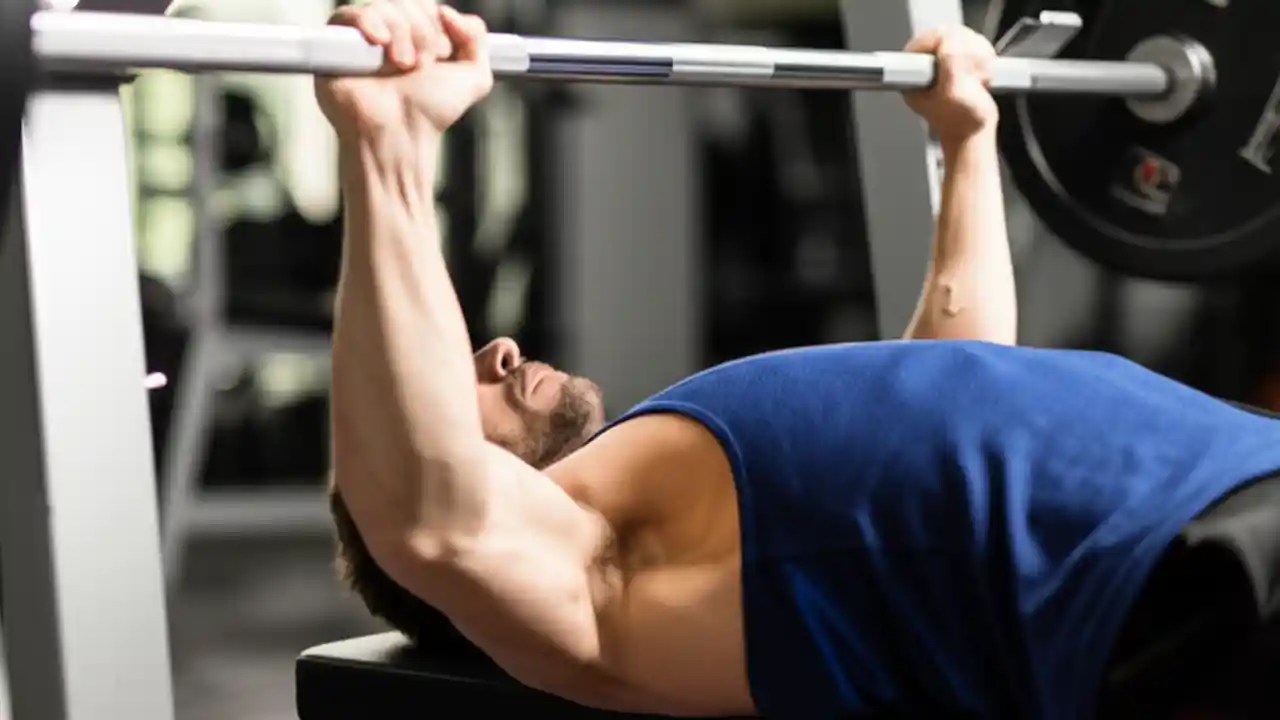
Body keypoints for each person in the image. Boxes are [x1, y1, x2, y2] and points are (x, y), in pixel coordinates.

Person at [316, 2, 1279, 718]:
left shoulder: (698, 482)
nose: (495, 349)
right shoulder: (608, 587)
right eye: (453, 380)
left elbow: (958, 369)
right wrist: (388, 141)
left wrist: (967, 139)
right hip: (1184, 580)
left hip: (1247, 478)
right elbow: (427, 515)